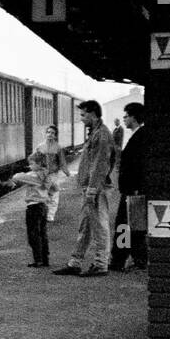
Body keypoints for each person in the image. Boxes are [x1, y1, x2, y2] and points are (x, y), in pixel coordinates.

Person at [52, 100, 115, 277]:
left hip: (95, 188)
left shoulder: (101, 135)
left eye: (83, 114)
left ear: (93, 114)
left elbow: (100, 164)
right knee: (85, 226)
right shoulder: (96, 133)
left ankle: (101, 264)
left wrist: (92, 189)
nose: (81, 118)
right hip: (90, 186)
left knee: (99, 225)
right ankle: (75, 262)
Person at [109, 102, 148, 271]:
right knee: (136, 226)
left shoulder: (141, 137)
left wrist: (134, 189)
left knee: (123, 226)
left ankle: (119, 260)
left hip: (133, 191)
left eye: (126, 116)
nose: (124, 119)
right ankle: (139, 259)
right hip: (133, 190)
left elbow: (139, 166)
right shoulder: (138, 135)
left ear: (133, 117)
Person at [7, 153, 57, 266]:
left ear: (39, 164)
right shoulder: (47, 175)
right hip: (43, 207)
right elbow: (55, 188)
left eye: (32, 163)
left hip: (33, 207)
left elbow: (17, 177)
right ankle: (45, 259)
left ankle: (37, 260)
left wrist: (23, 174)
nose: (30, 166)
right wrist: (46, 194)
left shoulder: (34, 176)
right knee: (43, 233)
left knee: (33, 235)